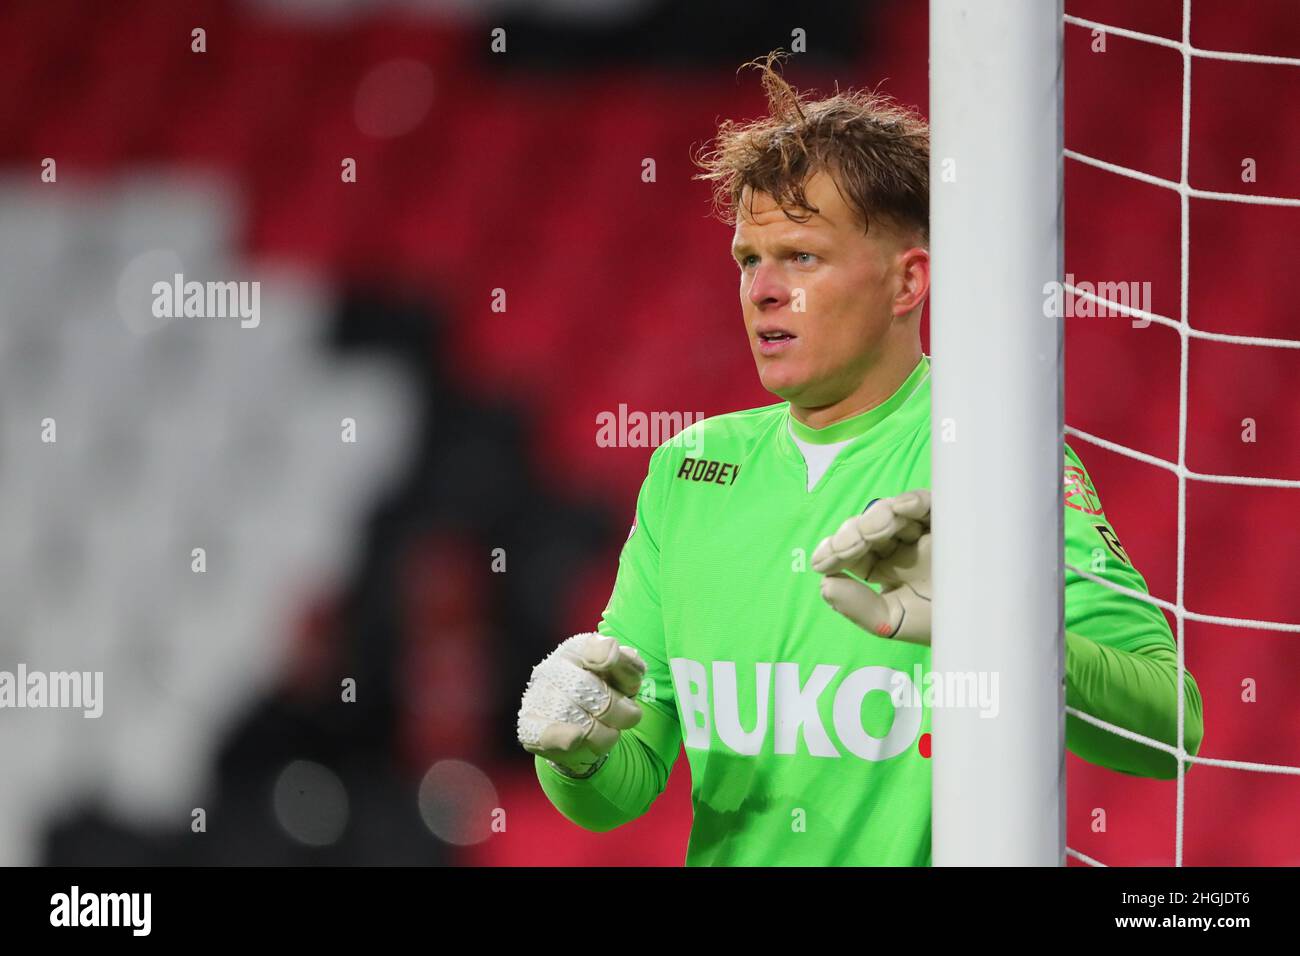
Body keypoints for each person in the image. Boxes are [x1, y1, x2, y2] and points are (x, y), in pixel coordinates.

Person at [516, 53, 1203, 866]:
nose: (763, 290)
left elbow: (1169, 731)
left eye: (801, 257)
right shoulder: (689, 470)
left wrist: (996, 628)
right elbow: (624, 788)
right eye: (747, 259)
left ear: (907, 281)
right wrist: (578, 746)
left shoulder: (993, 451)